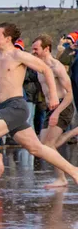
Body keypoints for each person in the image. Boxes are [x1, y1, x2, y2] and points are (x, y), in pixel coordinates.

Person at [0, 23, 78, 198]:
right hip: (3, 107)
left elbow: (46, 69)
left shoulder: (18, 55)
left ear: (8, 38)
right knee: (36, 148)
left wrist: (55, 97)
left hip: (16, 106)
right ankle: (74, 171)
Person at [30, 34, 75, 189]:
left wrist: (57, 113)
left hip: (63, 106)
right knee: (44, 145)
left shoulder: (56, 67)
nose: (33, 51)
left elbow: (70, 94)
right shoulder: (38, 67)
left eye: (36, 49)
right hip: (51, 108)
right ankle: (74, 132)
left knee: (48, 145)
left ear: (46, 48)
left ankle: (62, 178)